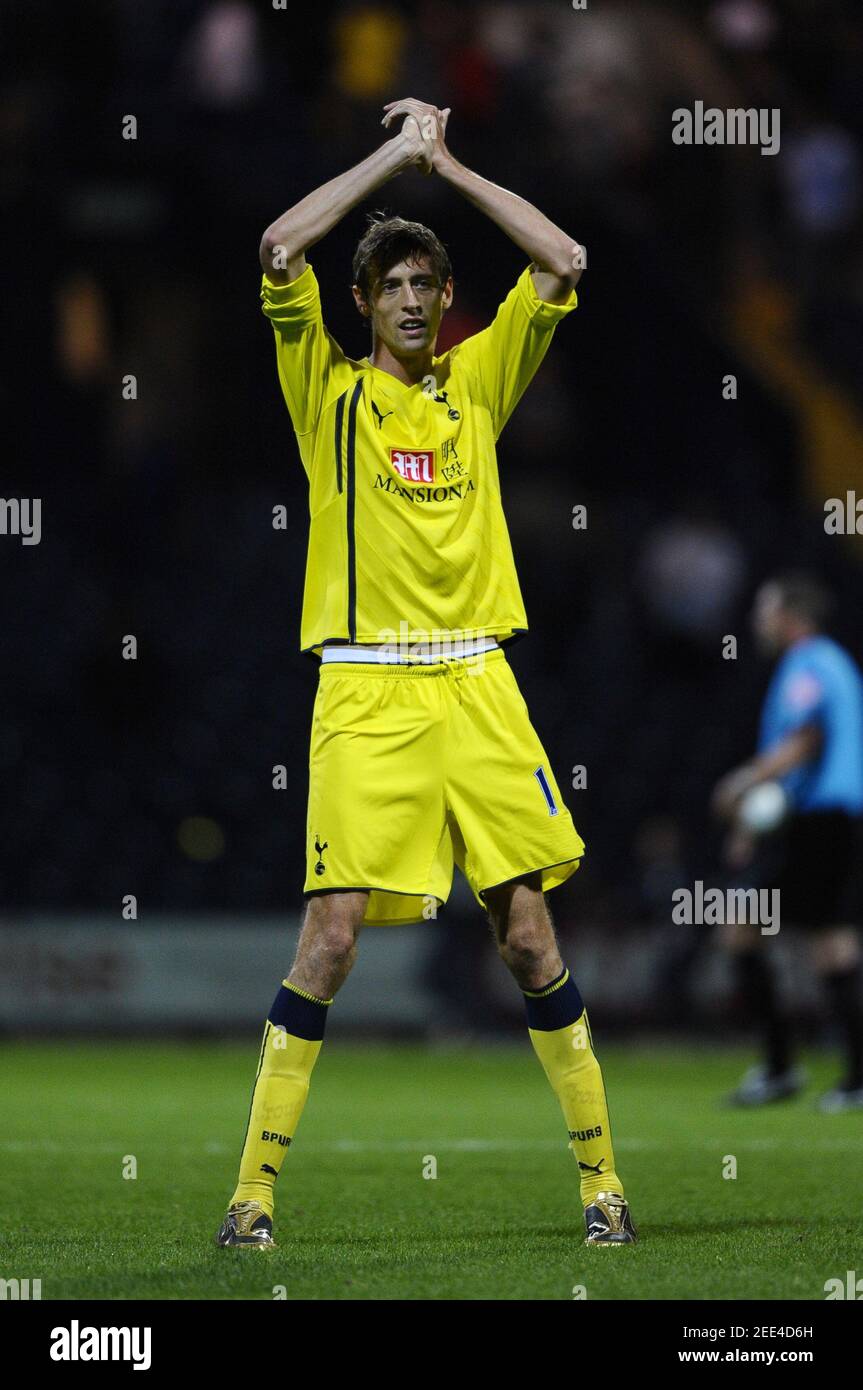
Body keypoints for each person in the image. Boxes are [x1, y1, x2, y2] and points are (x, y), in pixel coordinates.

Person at [215, 98, 635, 1249]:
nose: (408, 297)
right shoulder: (329, 392)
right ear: (361, 304)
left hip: (477, 685)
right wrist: (388, 158)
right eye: (390, 284)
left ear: (445, 301)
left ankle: (602, 1187)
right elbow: (276, 247)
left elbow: (561, 258)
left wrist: (446, 165)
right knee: (332, 934)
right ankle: (251, 1195)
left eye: (424, 284)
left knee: (529, 936)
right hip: (363, 690)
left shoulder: (477, 384)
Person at [713, 573, 863, 1110]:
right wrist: (752, 829)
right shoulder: (825, 662)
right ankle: (788, 1068)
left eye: (764, 608)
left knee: (826, 939)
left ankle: (806, 1071)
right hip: (819, 818)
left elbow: (808, 737)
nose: (757, 620)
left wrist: (744, 783)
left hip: (820, 818)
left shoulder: (810, 664)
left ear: (789, 615)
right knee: (763, 926)